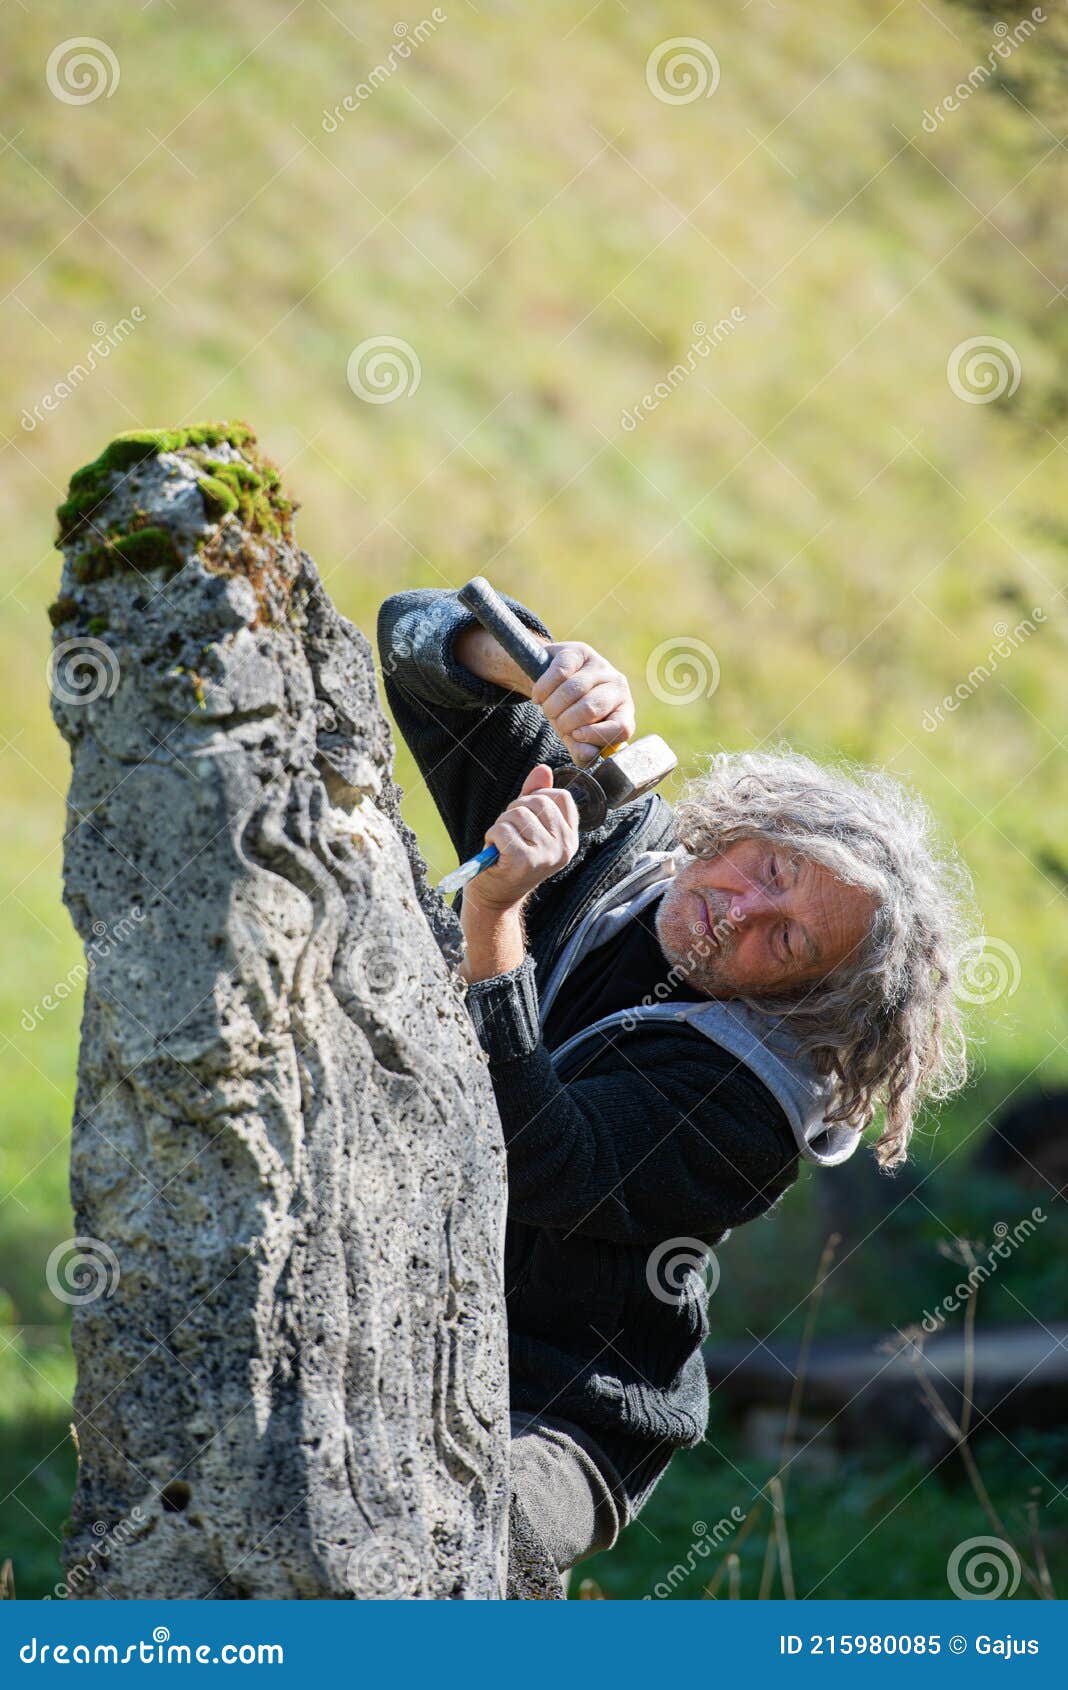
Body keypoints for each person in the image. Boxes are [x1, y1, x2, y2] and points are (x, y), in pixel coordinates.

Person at [378, 586, 972, 1590]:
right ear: (743, 823)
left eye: (784, 937)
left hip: (565, 1410)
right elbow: (406, 643)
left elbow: (543, 1164)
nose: (735, 913)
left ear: (811, 994)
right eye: (768, 867)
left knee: (454, 1545)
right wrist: (532, 668)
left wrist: (495, 925)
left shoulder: (748, 1102)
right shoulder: (610, 847)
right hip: (396, 1319)